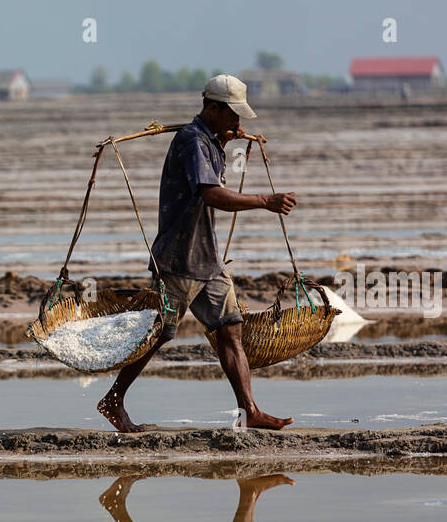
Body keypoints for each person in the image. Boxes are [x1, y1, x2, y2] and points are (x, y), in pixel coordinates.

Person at [97, 75, 297, 433]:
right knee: (158, 333)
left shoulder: (211, 142)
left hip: (208, 259)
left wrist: (225, 139)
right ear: (213, 108)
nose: (238, 124)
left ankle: (248, 410)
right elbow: (212, 194)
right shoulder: (192, 141)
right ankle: (114, 400)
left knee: (231, 329)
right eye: (233, 116)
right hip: (179, 259)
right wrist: (265, 200)